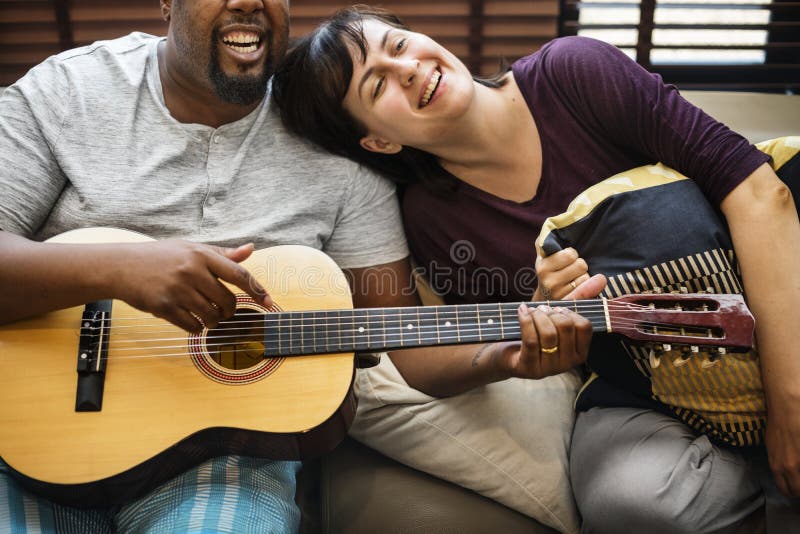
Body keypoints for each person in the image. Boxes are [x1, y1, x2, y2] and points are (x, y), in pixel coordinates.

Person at [0, 1, 593, 532]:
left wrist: (508, 357)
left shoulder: (332, 137)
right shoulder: (70, 90)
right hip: (21, 438)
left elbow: (406, 344)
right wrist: (117, 271)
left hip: (223, 465)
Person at [271, 5, 800, 533]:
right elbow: (432, 360)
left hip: (768, 299)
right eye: (376, 85)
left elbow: (758, 190)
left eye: (398, 46)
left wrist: (788, 404)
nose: (405, 69)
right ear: (379, 141)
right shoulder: (433, 218)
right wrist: (525, 342)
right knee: (630, 498)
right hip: (638, 383)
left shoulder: (575, 72)